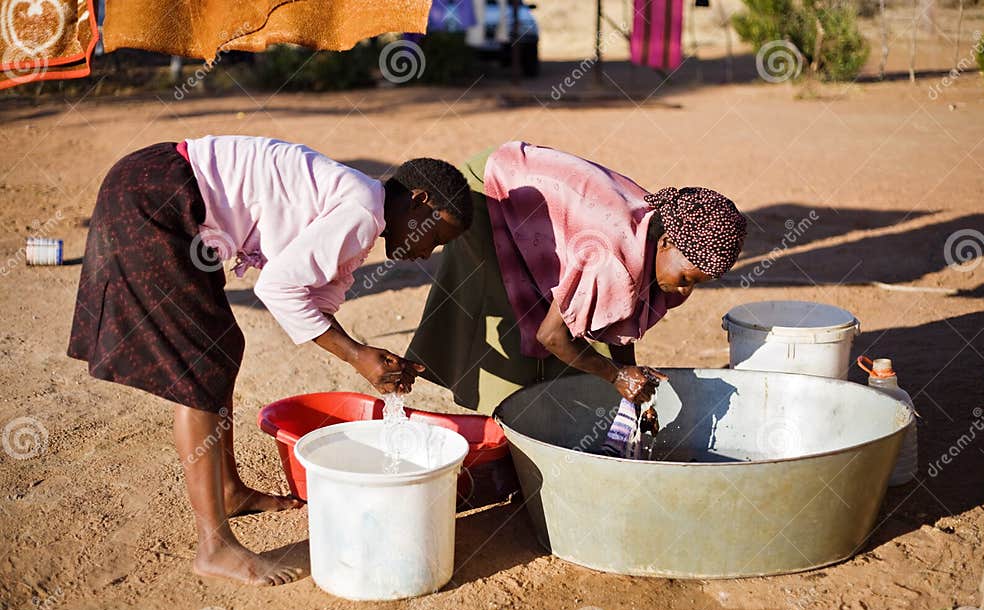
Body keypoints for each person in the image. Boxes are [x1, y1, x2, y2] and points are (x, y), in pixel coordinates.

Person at [67, 136, 472, 585]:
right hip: (155, 195)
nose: (426, 253)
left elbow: (311, 297)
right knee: (201, 363)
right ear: (419, 200)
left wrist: (367, 357)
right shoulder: (361, 211)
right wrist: (357, 355)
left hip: (154, 182)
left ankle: (229, 490)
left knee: (219, 347)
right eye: (435, 236)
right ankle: (213, 547)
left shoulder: (360, 206)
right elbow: (278, 288)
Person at [407, 141, 747, 414]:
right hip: (492, 191)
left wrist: (630, 371)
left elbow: (619, 321)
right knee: (511, 312)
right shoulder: (610, 253)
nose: (685, 290)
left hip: (536, 202)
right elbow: (551, 336)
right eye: (687, 277)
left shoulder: (656, 228)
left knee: (568, 317)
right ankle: (502, 429)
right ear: (667, 242)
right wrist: (616, 375)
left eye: (698, 284)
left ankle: (540, 414)